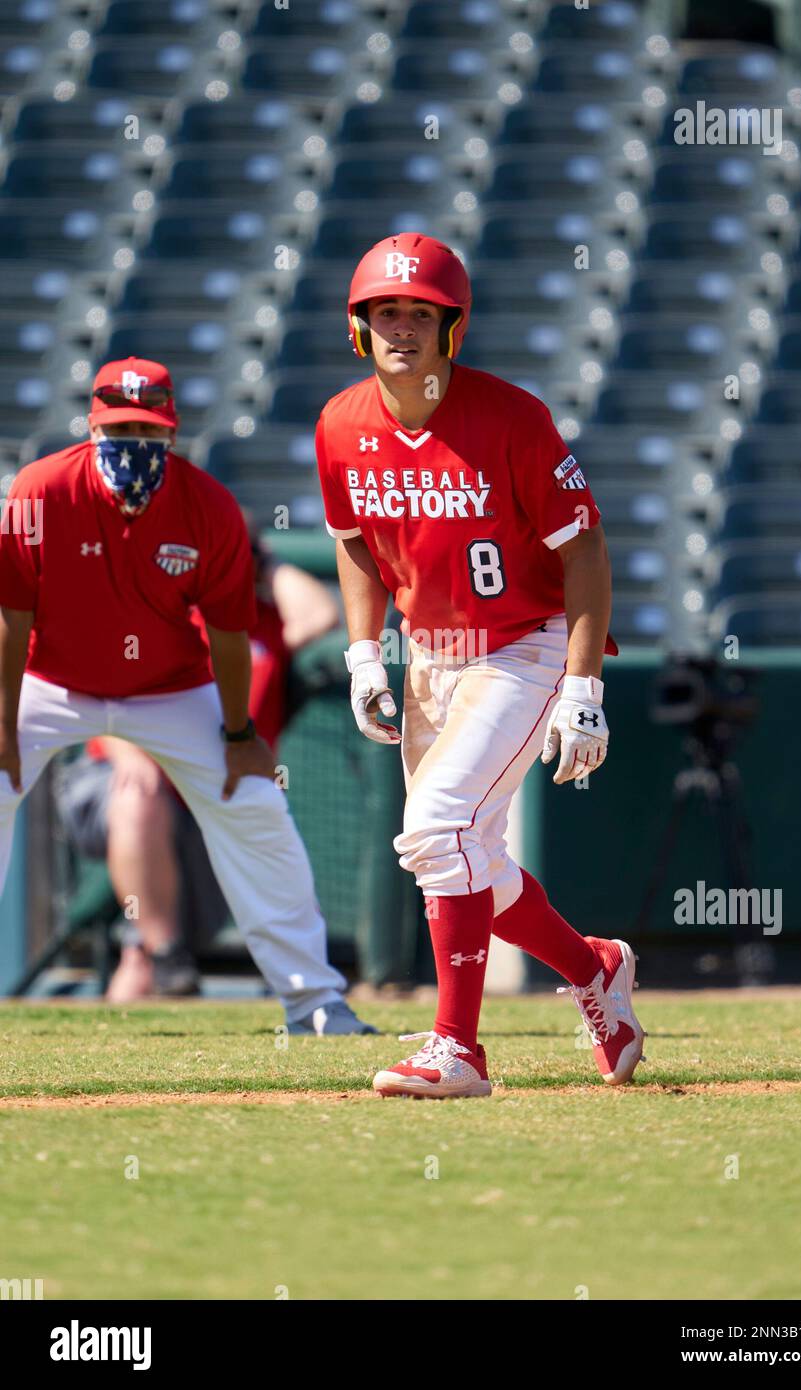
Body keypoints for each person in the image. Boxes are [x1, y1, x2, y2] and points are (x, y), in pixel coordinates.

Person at [315, 233, 645, 1096]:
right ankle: (594, 968)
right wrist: (362, 655)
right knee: (472, 860)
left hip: (521, 644)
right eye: (385, 312)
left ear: (450, 327)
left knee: (437, 831)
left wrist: (582, 687)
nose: (401, 328)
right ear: (359, 327)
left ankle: (457, 1048)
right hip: (426, 650)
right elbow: (352, 546)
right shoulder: (341, 424)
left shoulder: (510, 416)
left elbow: (586, 548)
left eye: (420, 313)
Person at [0, 355, 373, 1035]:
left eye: (148, 429)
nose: (133, 444)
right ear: (92, 426)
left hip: (171, 690)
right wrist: (2, 725)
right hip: (50, 681)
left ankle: (316, 1001)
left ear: (171, 433)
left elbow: (230, 638)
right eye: (119, 428)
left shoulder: (207, 506)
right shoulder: (40, 488)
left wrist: (238, 736)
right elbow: (11, 620)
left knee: (255, 804)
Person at [56, 512, 340, 1003]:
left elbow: (319, 616)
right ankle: (164, 952)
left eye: (234, 559)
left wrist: (265, 565)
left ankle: (156, 968)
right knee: (138, 800)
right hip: (123, 784)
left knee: (137, 958)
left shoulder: (263, 622)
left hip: (214, 798)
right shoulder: (160, 618)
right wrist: (132, 754)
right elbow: (100, 702)